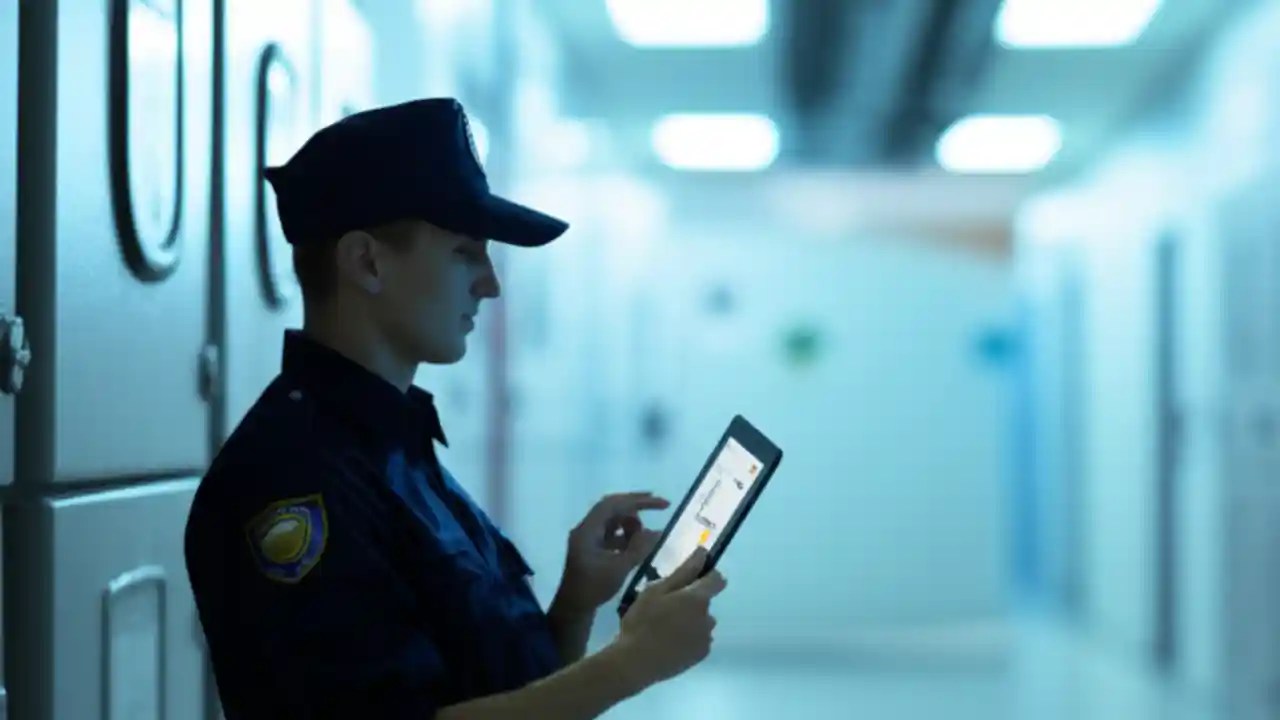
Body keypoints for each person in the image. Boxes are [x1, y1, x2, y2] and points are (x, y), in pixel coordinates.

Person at [182, 97, 728, 719]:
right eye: (465, 252)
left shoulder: (396, 449)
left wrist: (577, 601)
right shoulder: (290, 479)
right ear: (367, 262)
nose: (490, 282)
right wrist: (629, 664)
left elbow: (500, 695)